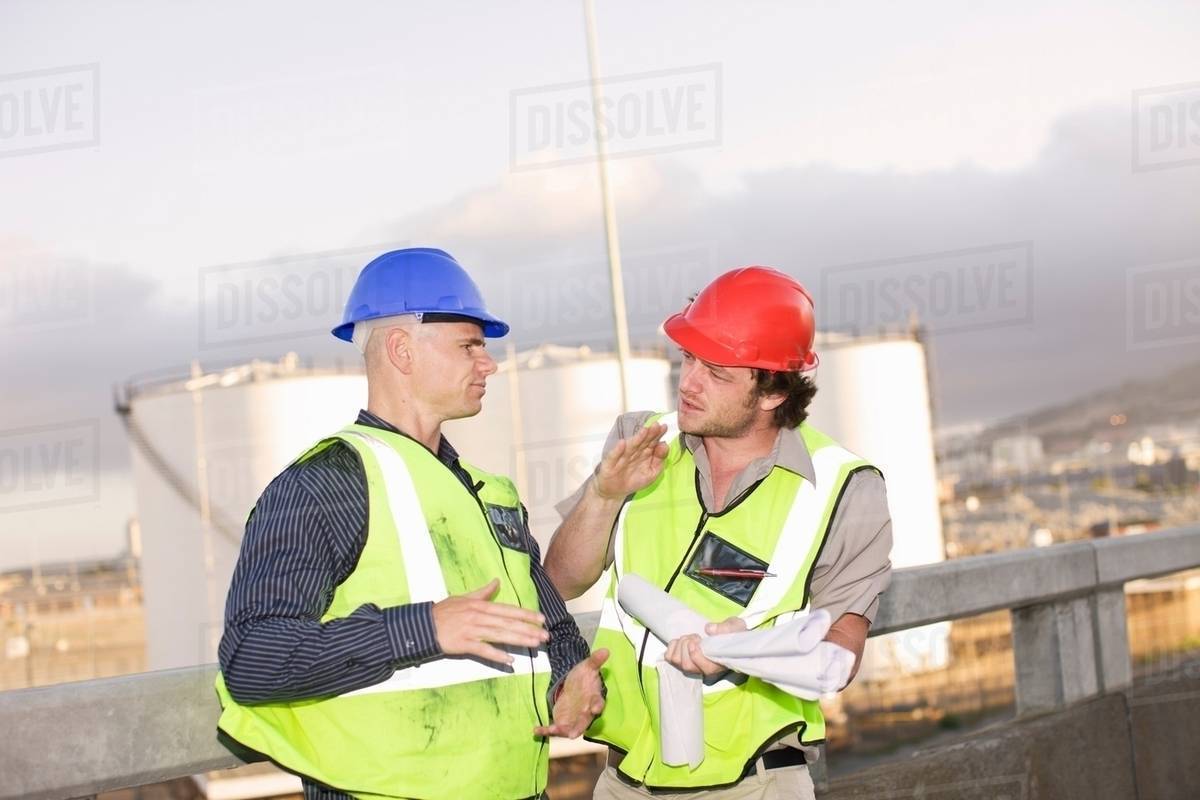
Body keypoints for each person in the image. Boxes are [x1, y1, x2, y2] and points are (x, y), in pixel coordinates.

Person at [214, 247, 607, 800]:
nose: (488, 362)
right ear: (401, 349)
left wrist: (572, 675)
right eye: (469, 344)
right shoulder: (325, 485)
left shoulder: (488, 492)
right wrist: (422, 629)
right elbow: (253, 659)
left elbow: (548, 626)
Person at [545, 266, 894, 799]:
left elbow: (841, 652)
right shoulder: (641, 441)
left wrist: (752, 649)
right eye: (687, 359)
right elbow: (562, 580)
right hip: (622, 780)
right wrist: (604, 492)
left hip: (753, 784)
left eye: (717, 372)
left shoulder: (846, 487)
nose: (688, 383)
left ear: (773, 392)